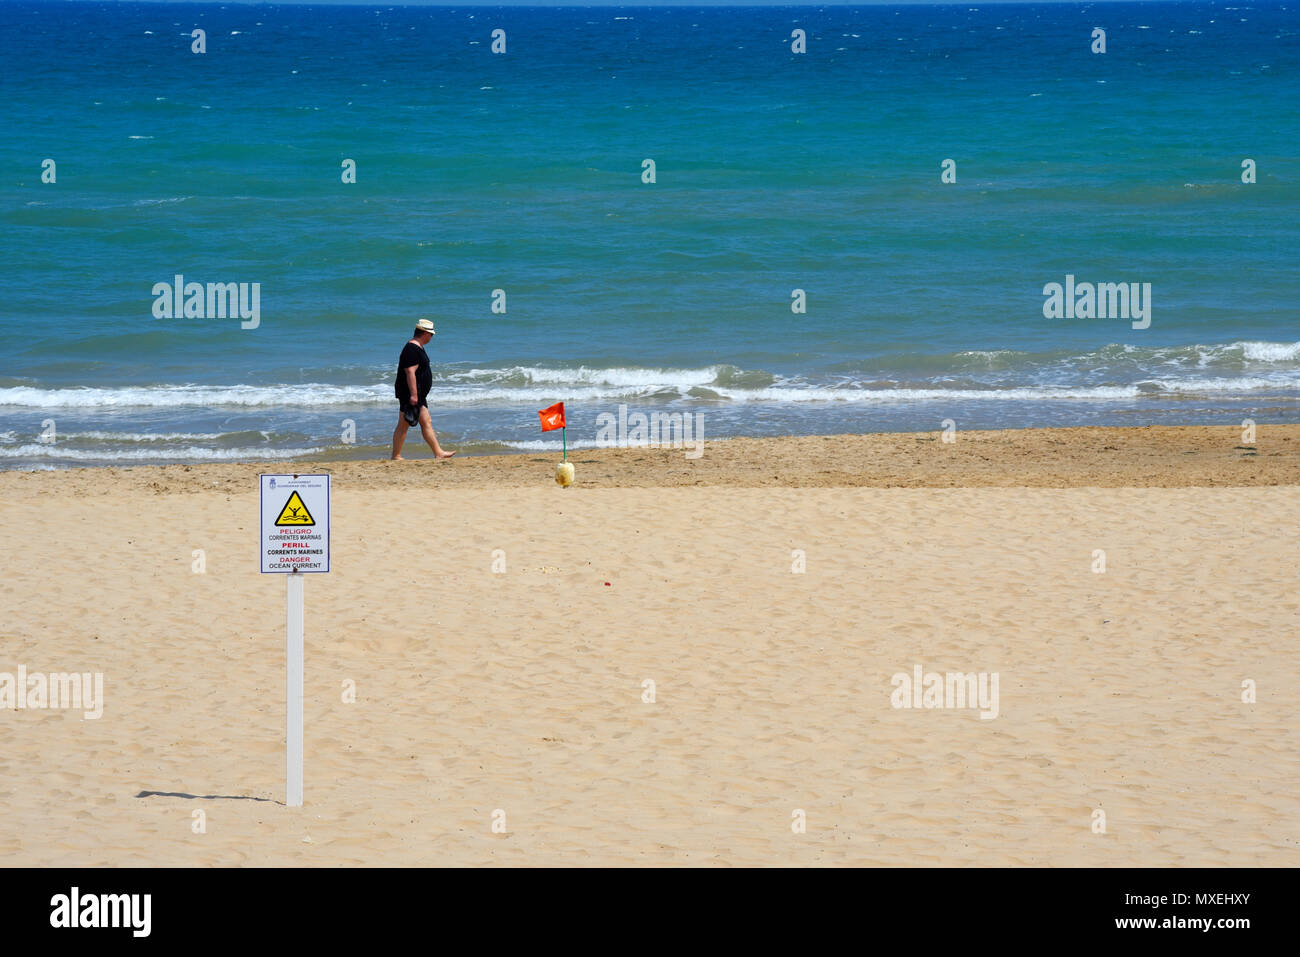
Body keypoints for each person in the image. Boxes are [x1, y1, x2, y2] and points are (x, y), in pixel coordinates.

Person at [391, 319, 456, 460]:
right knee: (403, 425)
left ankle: (438, 452)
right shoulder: (411, 349)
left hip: (418, 394)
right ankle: (396, 455)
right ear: (425, 333)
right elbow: (410, 373)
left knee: (426, 422)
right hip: (411, 394)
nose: (432, 337)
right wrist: (413, 395)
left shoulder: (418, 347)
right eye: (431, 334)